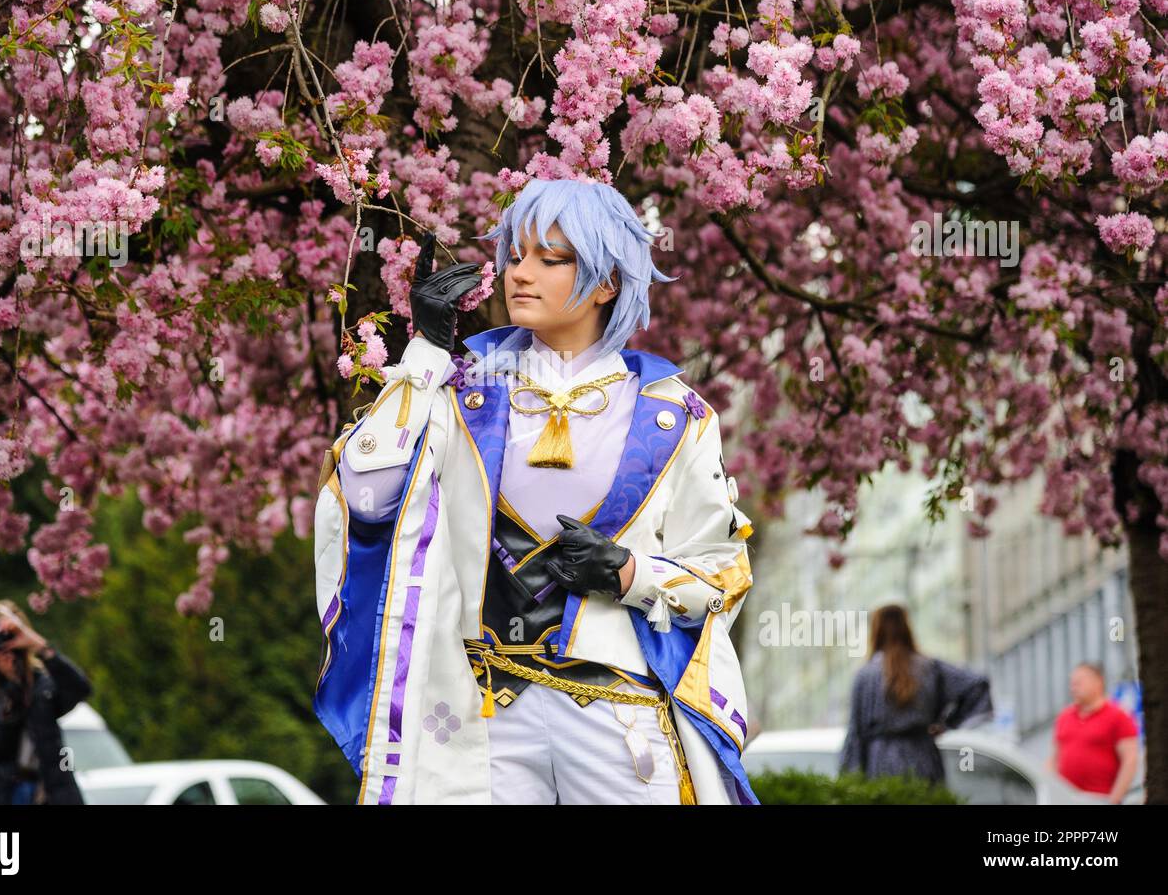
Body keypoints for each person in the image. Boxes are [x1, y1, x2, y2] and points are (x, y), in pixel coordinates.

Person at [312, 177, 759, 804]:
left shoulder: (675, 414)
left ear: (607, 283)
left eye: (551, 259)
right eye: (516, 256)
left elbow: (721, 575)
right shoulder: (457, 394)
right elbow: (365, 498)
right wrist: (424, 356)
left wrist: (630, 574)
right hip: (480, 718)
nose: (521, 274)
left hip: (620, 713)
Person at [0, 600, 92, 804]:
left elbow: (80, 689)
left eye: (10, 636)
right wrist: (12, 688)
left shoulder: (38, 681)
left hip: (49, 791)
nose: (5, 645)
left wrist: (39, 646)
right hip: (1, 794)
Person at [840, 604, 992, 784]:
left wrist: (849, 782)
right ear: (906, 628)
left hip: (880, 764)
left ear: (875, 631)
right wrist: (948, 724)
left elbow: (855, 736)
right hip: (923, 759)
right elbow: (977, 686)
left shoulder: (865, 676)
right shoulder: (930, 668)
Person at [1047, 662, 1140, 803]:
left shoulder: (1119, 716)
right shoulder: (1064, 717)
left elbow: (1130, 761)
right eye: (1072, 683)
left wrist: (1114, 799)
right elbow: (1054, 759)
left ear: (1098, 682)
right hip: (1066, 798)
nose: (1073, 688)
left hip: (1099, 799)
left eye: (1079, 683)